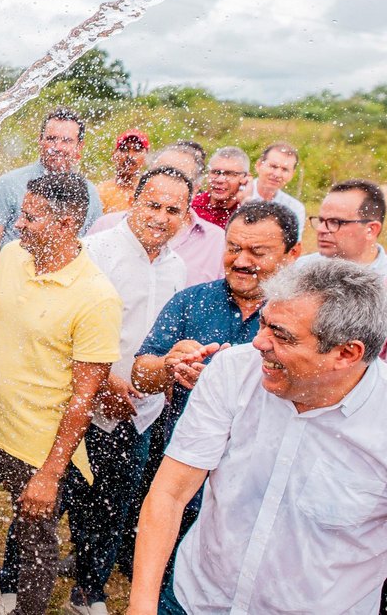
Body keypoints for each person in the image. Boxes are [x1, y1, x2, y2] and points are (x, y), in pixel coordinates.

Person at [129, 258, 387, 615]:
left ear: (346, 353)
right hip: (195, 601)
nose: (258, 342)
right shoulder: (233, 371)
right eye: (264, 322)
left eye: (281, 335)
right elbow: (170, 495)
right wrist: (142, 606)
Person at [0, 171, 120, 615]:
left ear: (67, 223)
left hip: (40, 444)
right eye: (22, 213)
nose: (19, 224)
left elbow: (84, 397)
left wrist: (52, 473)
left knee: (33, 542)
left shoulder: (96, 298)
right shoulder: (14, 256)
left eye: (31, 217)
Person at [125, 201, 300, 591]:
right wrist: (169, 365)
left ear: (293, 255)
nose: (241, 261)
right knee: (178, 582)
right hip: (185, 474)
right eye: (234, 247)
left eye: (258, 252)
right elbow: (141, 371)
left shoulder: (303, 320)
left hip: (259, 483)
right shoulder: (192, 301)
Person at [62, 167, 191, 615]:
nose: (160, 217)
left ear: (185, 216)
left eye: (173, 210)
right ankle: (13, 581)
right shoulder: (96, 252)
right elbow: (66, 328)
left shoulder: (178, 268)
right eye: (152, 205)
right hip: (84, 401)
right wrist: (101, 386)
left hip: (141, 411)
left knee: (114, 505)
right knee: (55, 496)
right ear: (133, 202)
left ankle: (89, 591)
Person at [0, 106, 103, 292]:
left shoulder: (89, 194)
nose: (57, 148)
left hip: (65, 294)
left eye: (66, 141)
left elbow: (93, 251)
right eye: (51, 139)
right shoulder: (9, 184)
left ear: (79, 147)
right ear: (40, 141)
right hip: (14, 289)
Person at [90, 143, 226, 286]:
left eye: (179, 178)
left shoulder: (216, 241)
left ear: (195, 190)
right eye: (160, 174)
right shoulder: (106, 226)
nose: (167, 185)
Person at [299, 179, 386, 277]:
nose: (321, 229)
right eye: (321, 220)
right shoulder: (301, 270)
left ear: (371, 230)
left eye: (335, 222)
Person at [243, 141, 305, 237]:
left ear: (292, 174)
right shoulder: (238, 193)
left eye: (285, 169)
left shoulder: (294, 208)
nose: (277, 174)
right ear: (258, 165)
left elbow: (293, 246)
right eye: (273, 166)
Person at [191, 146, 249, 229]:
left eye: (229, 174)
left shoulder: (246, 210)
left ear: (245, 178)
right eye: (215, 172)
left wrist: (246, 200)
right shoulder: (192, 206)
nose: (220, 180)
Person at [97, 129, 149, 213]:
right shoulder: (101, 192)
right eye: (124, 149)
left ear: (146, 157)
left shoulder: (149, 192)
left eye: (137, 150)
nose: (130, 156)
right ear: (114, 155)